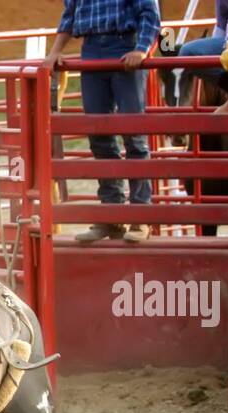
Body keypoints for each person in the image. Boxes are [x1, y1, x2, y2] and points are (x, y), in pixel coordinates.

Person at [42, 0, 160, 244]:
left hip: (125, 45)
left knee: (133, 134)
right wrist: (56, 50)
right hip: (92, 50)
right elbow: (70, 12)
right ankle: (111, 215)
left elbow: (150, 13)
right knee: (99, 136)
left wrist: (142, 48)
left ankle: (141, 217)